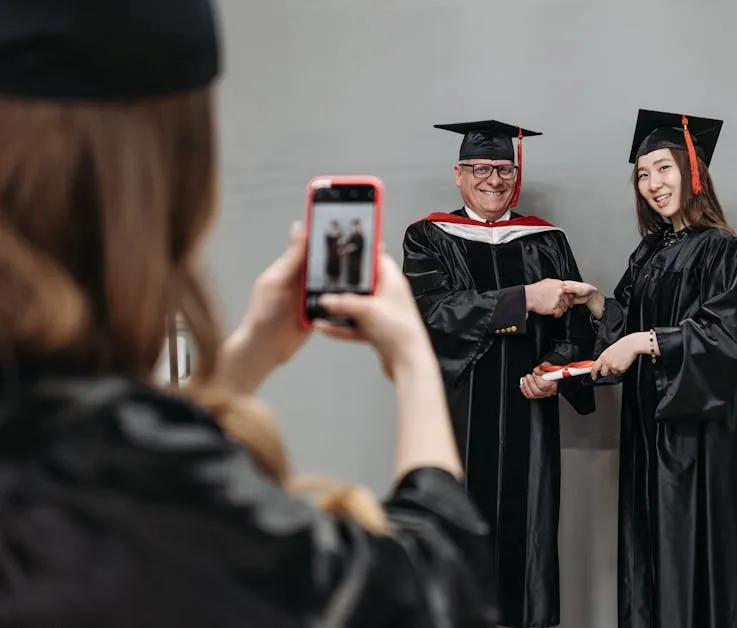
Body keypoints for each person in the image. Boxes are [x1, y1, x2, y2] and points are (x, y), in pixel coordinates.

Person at [0, 2, 498, 626]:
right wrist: (413, 361)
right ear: (166, 177)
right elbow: (435, 598)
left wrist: (244, 362)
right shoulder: (117, 478)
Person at [558, 109, 737, 628]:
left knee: (686, 556)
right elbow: (626, 321)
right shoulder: (650, 251)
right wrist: (599, 303)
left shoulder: (721, 249)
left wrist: (646, 341)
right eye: (643, 175)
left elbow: (726, 335)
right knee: (648, 557)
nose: (653, 184)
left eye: (663, 168)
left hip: (695, 445)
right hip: (648, 435)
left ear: (694, 172)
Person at [402, 120, 596, 628]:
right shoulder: (428, 237)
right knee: (459, 536)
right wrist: (524, 299)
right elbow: (430, 313)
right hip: (460, 417)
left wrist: (556, 371)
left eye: (504, 168)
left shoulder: (547, 242)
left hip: (530, 419)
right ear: (459, 174)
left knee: (527, 539)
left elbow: (577, 329)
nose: (494, 179)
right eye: (481, 168)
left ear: (517, 173)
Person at [343, 218, 365, 288]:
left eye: (354, 226)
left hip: (356, 261)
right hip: (351, 261)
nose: (353, 228)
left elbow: (356, 246)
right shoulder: (352, 235)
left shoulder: (360, 236)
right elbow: (347, 242)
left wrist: (346, 249)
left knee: (355, 276)